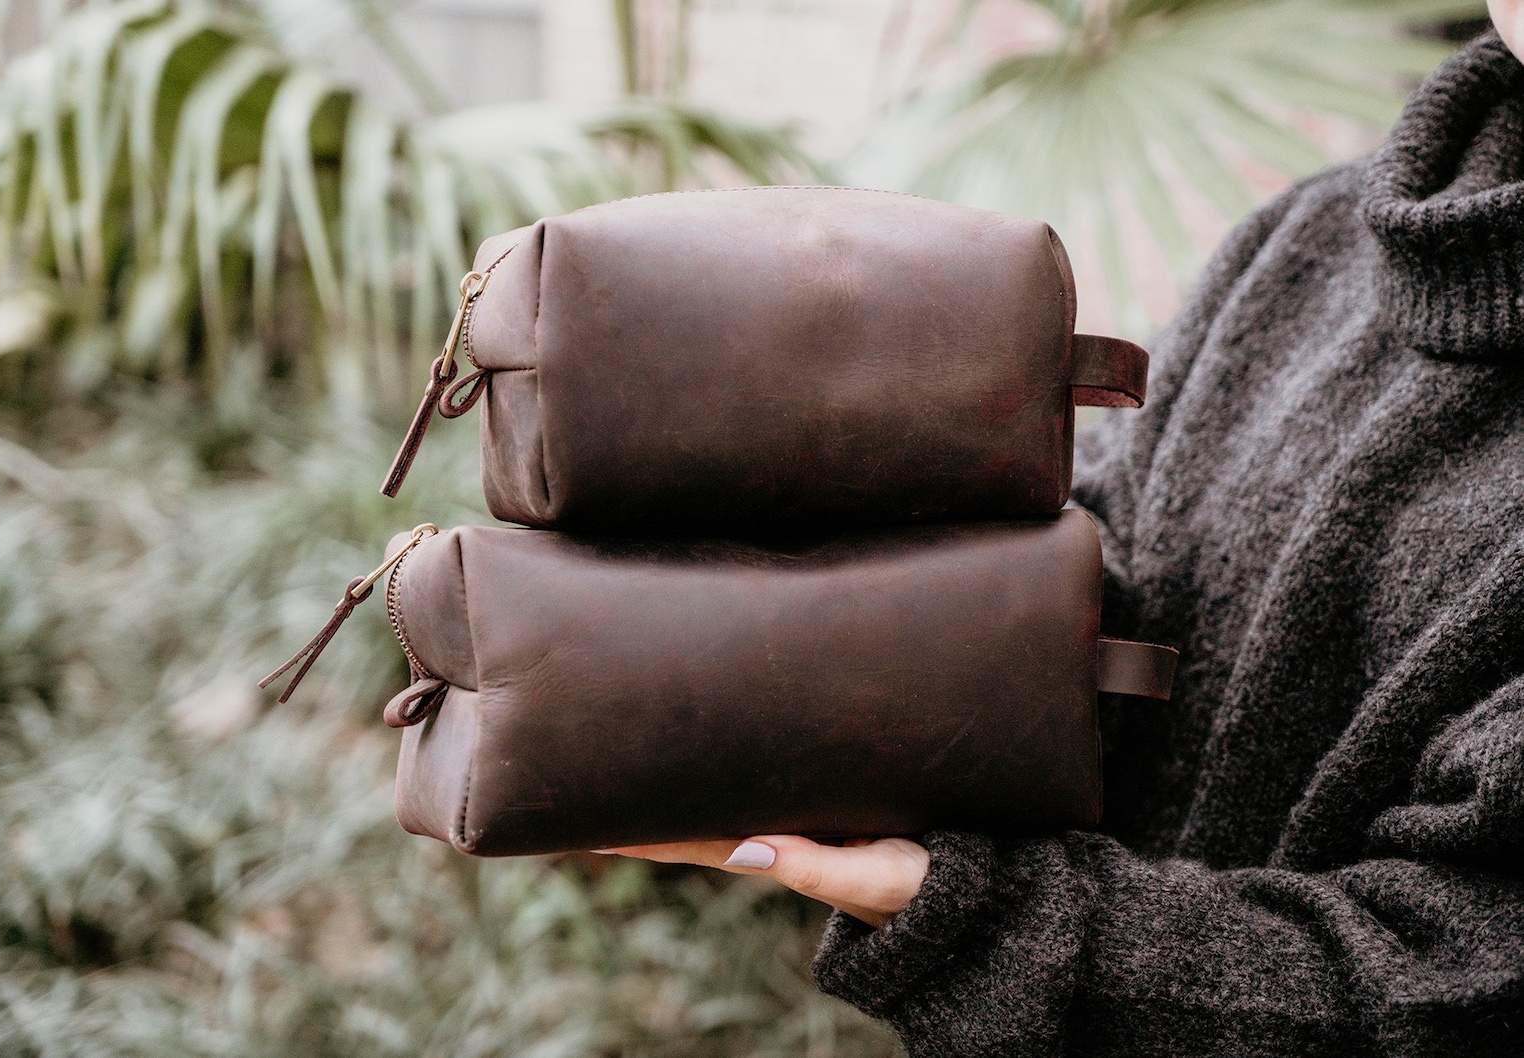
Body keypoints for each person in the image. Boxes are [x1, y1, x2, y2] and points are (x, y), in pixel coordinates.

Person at [605, 5, 1524, 1055]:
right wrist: (736, 631)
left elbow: (1464, 981)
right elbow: (1105, 578)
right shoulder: (1305, 242)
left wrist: (1010, 922)